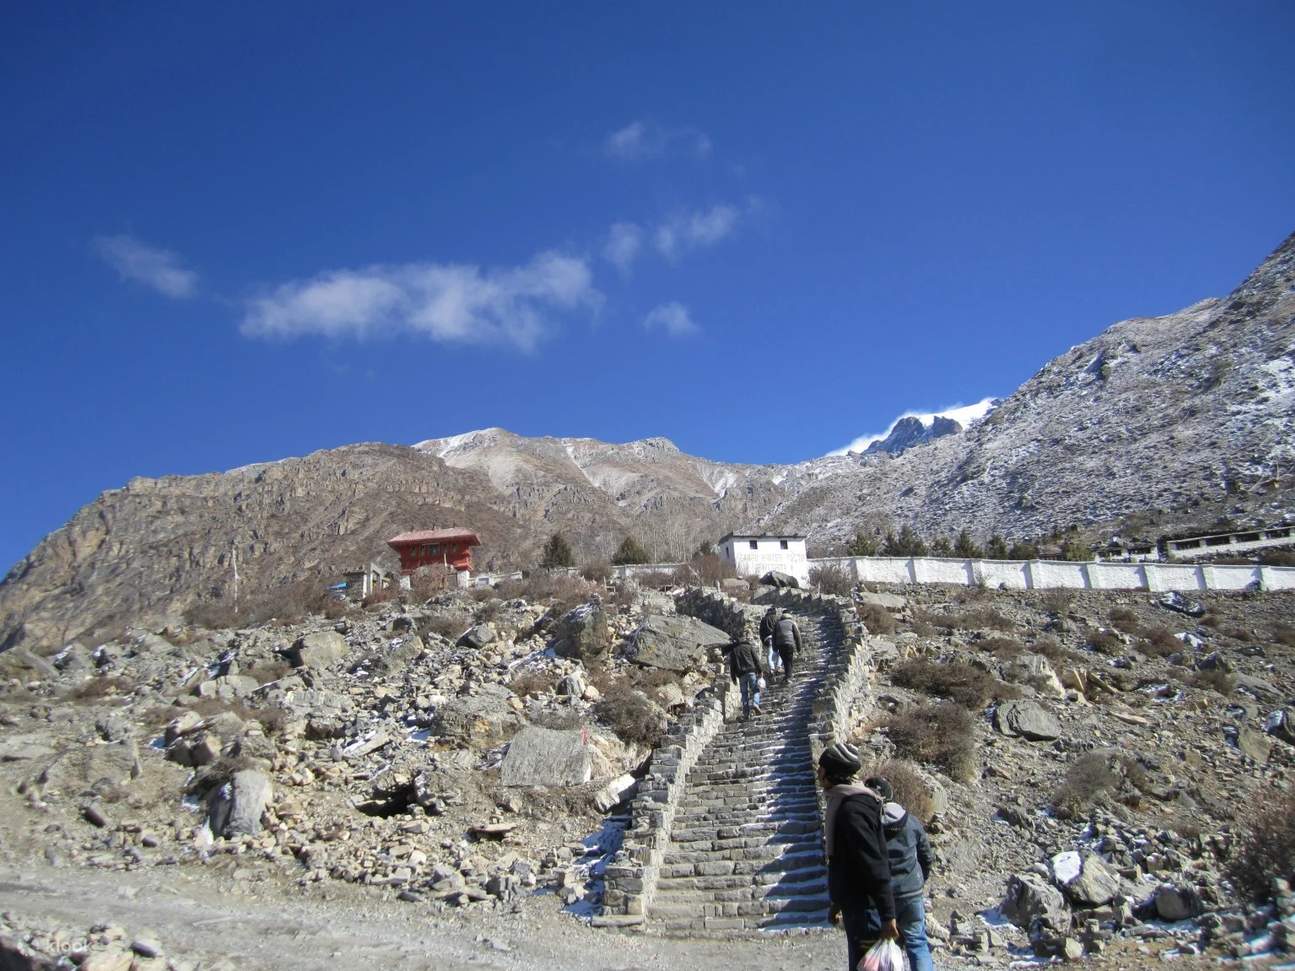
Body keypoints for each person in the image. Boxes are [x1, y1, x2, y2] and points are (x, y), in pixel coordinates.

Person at [819, 741, 899, 971]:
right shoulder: (843, 803)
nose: (818, 773)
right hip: (856, 905)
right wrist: (837, 901)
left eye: (822, 768)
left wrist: (888, 914)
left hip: (866, 907)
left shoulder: (852, 810)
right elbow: (846, 861)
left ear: (832, 773)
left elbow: (873, 861)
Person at [865, 776, 934, 971]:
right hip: (911, 892)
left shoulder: (867, 826)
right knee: (917, 942)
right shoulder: (910, 821)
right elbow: (926, 856)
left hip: (880, 896)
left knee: (885, 945)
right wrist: (919, 880)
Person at [727, 632, 764, 719]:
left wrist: (733, 678)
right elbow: (756, 659)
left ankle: (746, 712)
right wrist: (760, 670)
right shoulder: (749, 647)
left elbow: (732, 666)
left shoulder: (734, 651)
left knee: (744, 694)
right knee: (755, 689)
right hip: (751, 672)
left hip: (741, 675)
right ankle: (755, 703)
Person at [772, 611, 802, 683]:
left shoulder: (777, 624)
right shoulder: (792, 623)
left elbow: (774, 637)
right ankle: (789, 677)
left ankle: (787, 676)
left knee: (785, 660)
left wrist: (774, 648)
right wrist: (799, 647)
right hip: (789, 644)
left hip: (780, 645)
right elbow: (797, 636)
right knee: (789, 660)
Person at [759, 605, 782, 675]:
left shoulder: (764, 619)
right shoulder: (777, 618)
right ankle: (778, 666)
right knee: (780, 653)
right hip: (777, 638)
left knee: (770, 654)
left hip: (768, 638)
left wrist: (763, 640)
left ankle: (772, 668)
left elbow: (761, 631)